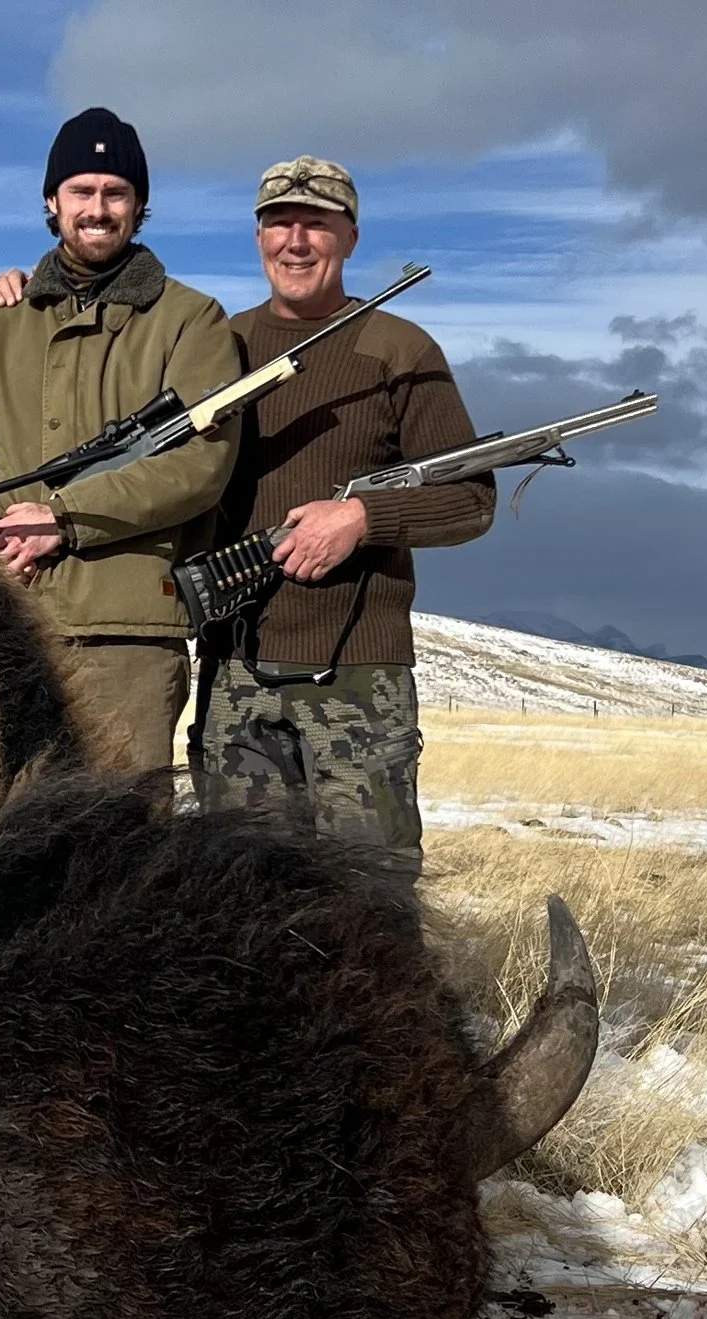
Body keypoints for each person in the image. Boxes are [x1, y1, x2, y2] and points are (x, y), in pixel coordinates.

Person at [192, 156, 493, 872]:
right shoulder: (217, 347)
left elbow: (472, 498)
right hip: (234, 670)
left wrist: (364, 518)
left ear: (350, 238)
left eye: (316, 224)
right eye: (279, 222)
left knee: (372, 901)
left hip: (359, 680)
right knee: (238, 899)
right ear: (258, 236)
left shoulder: (399, 350)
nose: (296, 241)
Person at [0, 108, 240, 782]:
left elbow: (199, 466)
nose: (97, 209)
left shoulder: (194, 320)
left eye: (115, 192)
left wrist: (61, 519)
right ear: (52, 201)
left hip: (129, 631)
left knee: (122, 841)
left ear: (139, 205)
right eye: (81, 191)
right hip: (6, 616)